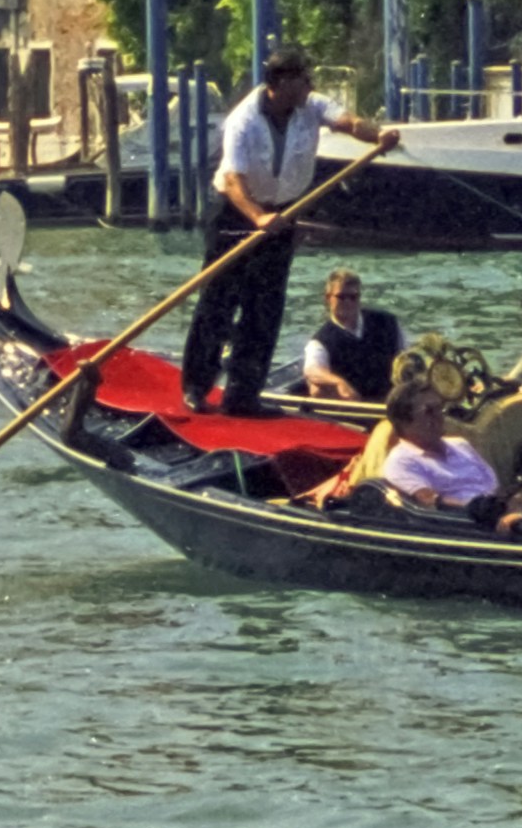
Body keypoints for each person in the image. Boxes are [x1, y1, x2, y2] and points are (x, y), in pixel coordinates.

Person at [183, 48, 382, 418]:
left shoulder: (312, 106)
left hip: (282, 211)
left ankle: (243, 394)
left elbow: (349, 122)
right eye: (303, 79)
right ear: (281, 83)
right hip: (236, 210)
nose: (311, 85)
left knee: (265, 307)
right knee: (219, 302)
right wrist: (257, 217)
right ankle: (196, 386)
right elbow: (232, 179)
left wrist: (378, 136)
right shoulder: (244, 120)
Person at [300, 379, 500, 520]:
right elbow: (427, 499)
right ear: (404, 421)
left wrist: (510, 506)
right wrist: (477, 509)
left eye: (439, 408)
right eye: (429, 411)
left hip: (496, 515)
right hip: (462, 522)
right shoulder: (401, 461)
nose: (439, 416)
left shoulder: (460, 445)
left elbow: (494, 485)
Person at [295, 272, 405, 404]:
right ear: (328, 298)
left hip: (392, 403)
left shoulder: (388, 322)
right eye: (341, 297)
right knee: (317, 389)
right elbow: (312, 370)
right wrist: (339, 382)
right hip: (354, 407)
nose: (348, 302)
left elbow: (407, 357)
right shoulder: (320, 341)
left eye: (353, 297)